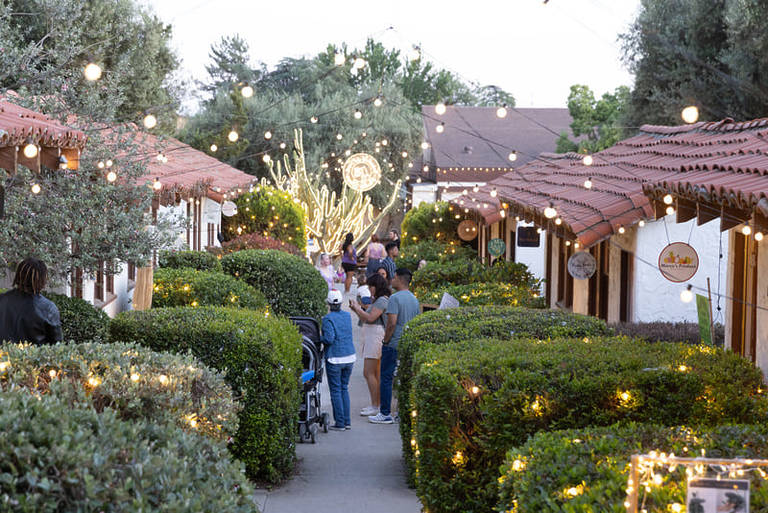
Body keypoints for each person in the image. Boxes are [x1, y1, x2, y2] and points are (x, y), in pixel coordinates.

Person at [369, 268, 420, 424]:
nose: (391, 280)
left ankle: (385, 413)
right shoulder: (414, 299)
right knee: (404, 379)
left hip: (393, 344)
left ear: (398, 278)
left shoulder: (395, 298)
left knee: (386, 378)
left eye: (393, 277)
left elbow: (391, 323)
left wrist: (385, 341)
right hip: (407, 343)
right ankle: (400, 412)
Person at [349, 273, 390, 417]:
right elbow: (366, 317)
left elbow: (371, 318)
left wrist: (358, 309)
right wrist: (356, 309)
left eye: (371, 286)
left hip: (375, 336)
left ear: (376, 286)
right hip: (373, 335)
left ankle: (376, 405)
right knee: (374, 374)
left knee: (368, 372)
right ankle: (376, 404)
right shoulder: (378, 300)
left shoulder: (381, 301)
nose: (370, 290)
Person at [0, 258, 62, 345]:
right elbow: (57, 345)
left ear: (18, 275)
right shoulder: (48, 308)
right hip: (33, 358)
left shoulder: (2, 300)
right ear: (42, 280)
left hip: (3, 356)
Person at [321, 289, 356, 431]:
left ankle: (340, 423)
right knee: (344, 388)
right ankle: (346, 421)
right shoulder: (347, 316)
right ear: (341, 302)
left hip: (335, 358)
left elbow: (329, 339)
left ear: (328, 303)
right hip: (349, 356)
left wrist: (318, 339)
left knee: (335, 390)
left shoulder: (328, 319)